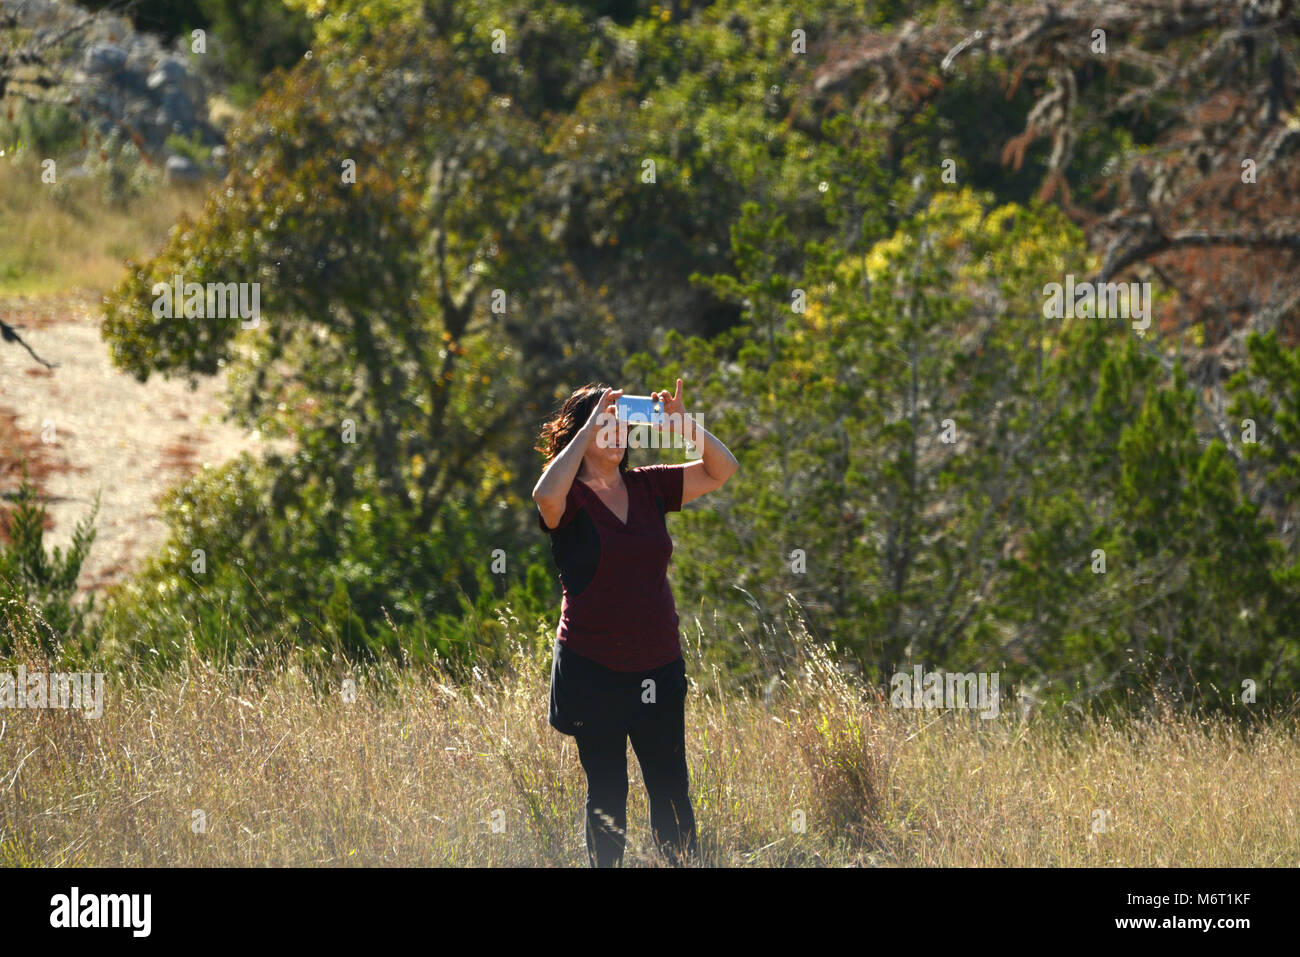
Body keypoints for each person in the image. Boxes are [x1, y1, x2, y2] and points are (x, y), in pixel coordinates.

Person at [532, 379, 739, 867]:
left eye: (621, 422)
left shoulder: (649, 486)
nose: (617, 432)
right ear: (580, 434)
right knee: (607, 794)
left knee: (671, 791)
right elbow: (544, 496)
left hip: (658, 668)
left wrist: (685, 423)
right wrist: (587, 431)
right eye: (605, 423)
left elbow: (722, 469)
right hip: (592, 670)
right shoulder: (570, 498)